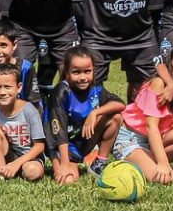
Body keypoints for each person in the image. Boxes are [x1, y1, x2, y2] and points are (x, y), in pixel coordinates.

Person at [110, 43, 173, 184]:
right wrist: (163, 163)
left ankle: (146, 160)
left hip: (153, 140)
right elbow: (151, 126)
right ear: (171, 60)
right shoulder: (159, 84)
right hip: (131, 139)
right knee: (161, 179)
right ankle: (137, 159)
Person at [45, 46, 123, 181]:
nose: (83, 77)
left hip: (80, 140)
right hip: (59, 145)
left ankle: (99, 163)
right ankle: (65, 161)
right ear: (67, 73)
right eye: (76, 72)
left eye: (87, 71)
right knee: (68, 180)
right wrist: (64, 164)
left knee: (115, 117)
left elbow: (120, 104)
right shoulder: (62, 92)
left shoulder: (95, 88)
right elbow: (59, 132)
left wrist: (95, 113)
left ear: (93, 70)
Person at [0, 63, 48, 181]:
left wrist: (16, 164)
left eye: (7, 87)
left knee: (33, 172)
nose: (2, 92)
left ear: (19, 87)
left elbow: (39, 146)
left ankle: (15, 170)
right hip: (6, 156)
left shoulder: (29, 111)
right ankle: (2, 172)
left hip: (28, 157)